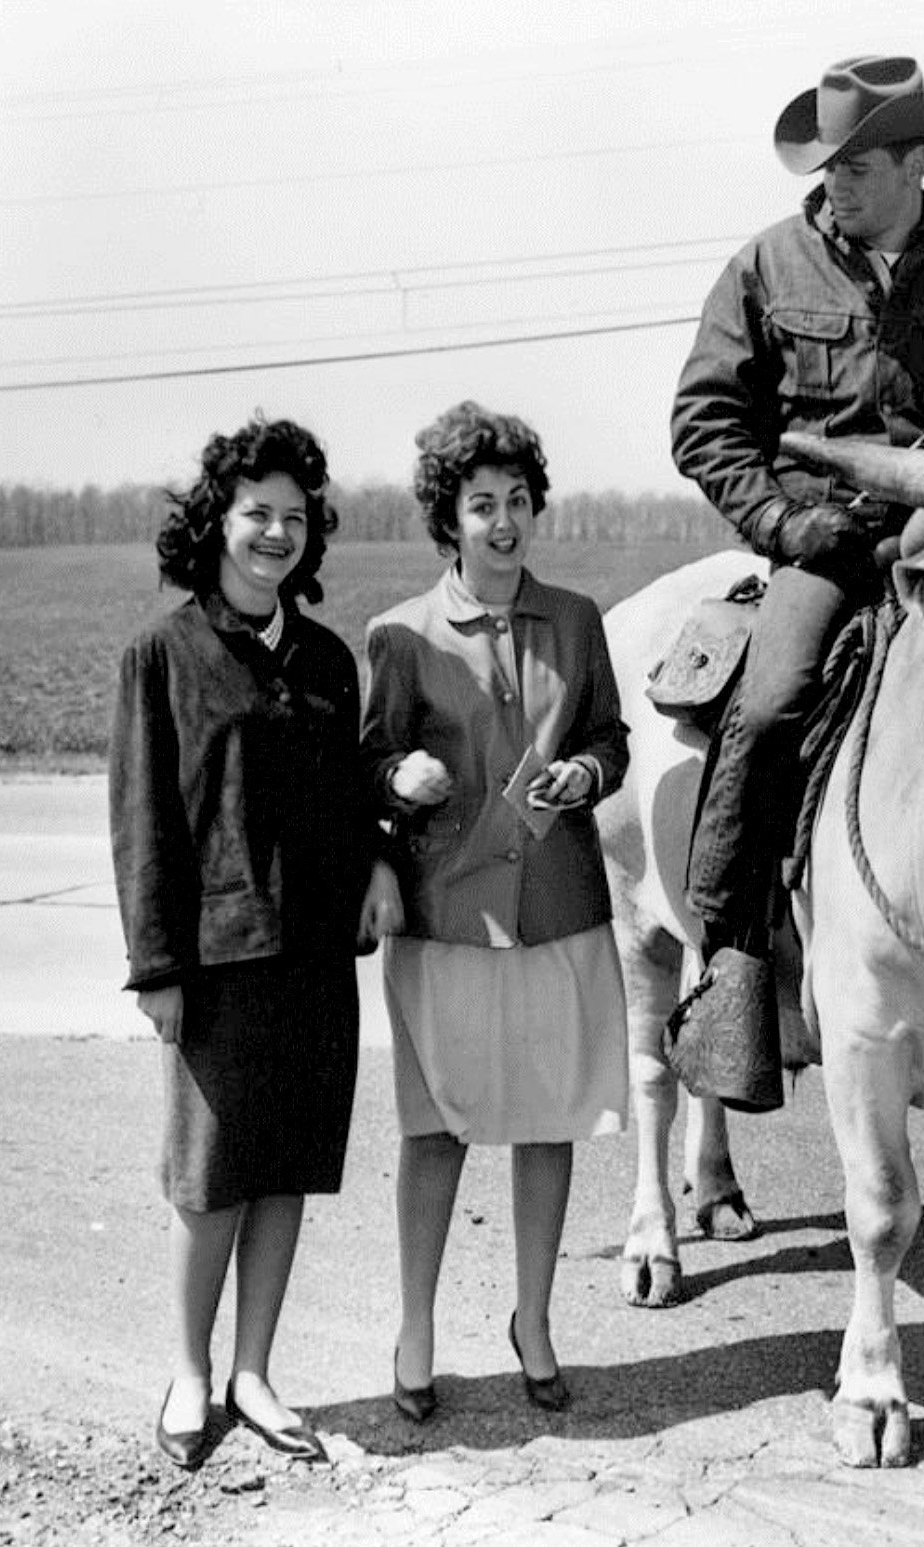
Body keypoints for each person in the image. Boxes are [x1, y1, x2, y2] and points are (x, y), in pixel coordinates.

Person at [666, 55, 924, 1106]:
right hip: (823, 554)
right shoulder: (766, 267)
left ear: (915, 160)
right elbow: (703, 425)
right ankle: (734, 962)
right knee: (773, 700)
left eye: (857, 165)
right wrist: (784, 523)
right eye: (826, 166)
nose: (834, 184)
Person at [109, 414, 401, 1471]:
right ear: (215, 525)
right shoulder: (161, 654)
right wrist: (156, 967)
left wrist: (377, 859)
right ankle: (190, 1372)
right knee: (212, 1174)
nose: (274, 534)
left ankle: (255, 1371)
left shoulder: (326, 657)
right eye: (254, 515)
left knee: (286, 1169)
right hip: (216, 958)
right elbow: (141, 820)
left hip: (315, 953)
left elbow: (342, 801)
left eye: (293, 517)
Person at [361, 401, 630, 1423]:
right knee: (437, 1128)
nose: (505, 520)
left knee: (548, 1121)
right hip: (447, 918)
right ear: (449, 518)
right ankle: (416, 1326)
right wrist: (400, 775)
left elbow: (611, 737)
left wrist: (585, 770)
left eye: (518, 500)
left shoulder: (577, 618)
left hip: (558, 909)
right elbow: (369, 769)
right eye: (482, 504)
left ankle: (534, 1319)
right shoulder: (398, 633)